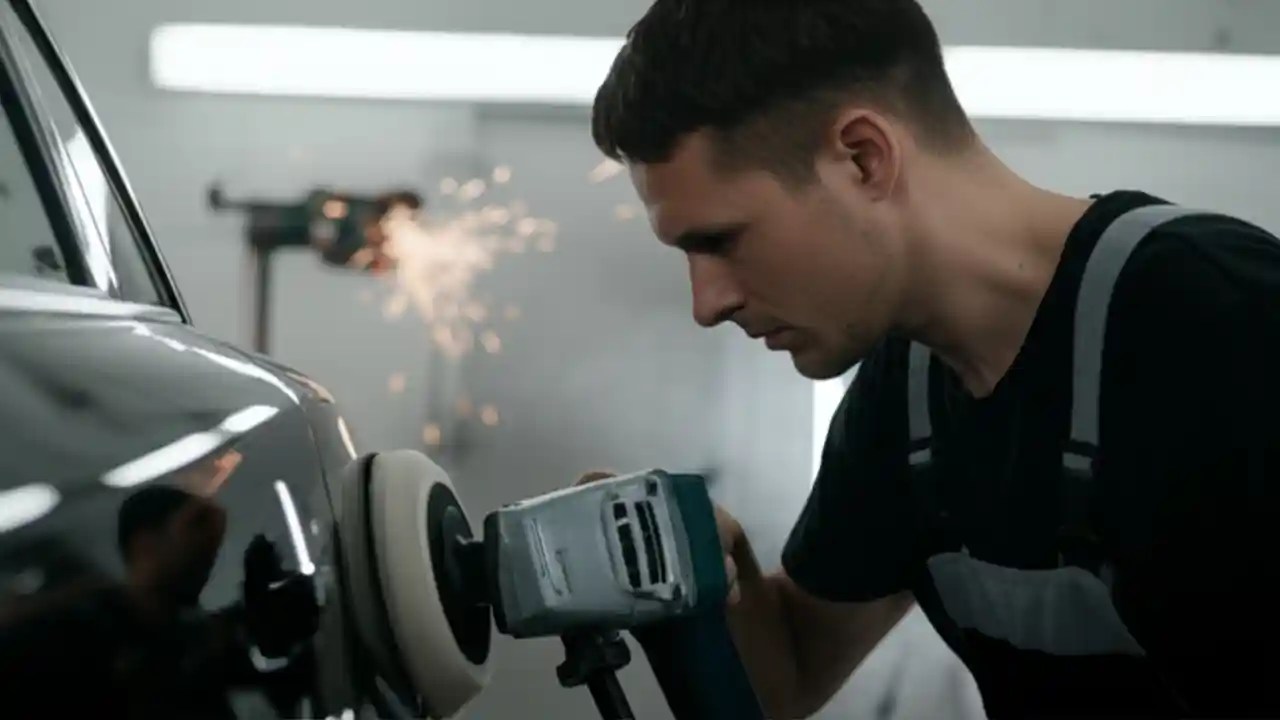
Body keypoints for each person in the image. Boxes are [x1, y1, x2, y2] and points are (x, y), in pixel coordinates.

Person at [587, 0, 1280, 717]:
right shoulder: (906, 392)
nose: (707, 304)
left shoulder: (1225, 317)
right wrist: (705, 579)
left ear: (863, 157)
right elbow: (785, 680)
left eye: (721, 240)